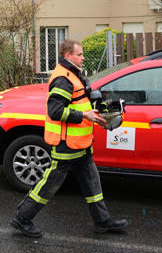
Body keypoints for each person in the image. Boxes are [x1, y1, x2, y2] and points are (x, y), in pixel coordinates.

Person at [10, 38, 128, 238]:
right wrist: (84, 116)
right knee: (49, 185)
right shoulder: (63, 78)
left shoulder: (74, 73)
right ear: (68, 56)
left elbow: (79, 102)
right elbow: (55, 111)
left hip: (81, 144)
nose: (83, 58)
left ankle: (102, 221)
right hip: (66, 145)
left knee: (92, 182)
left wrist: (98, 115)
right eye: (79, 54)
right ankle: (22, 218)